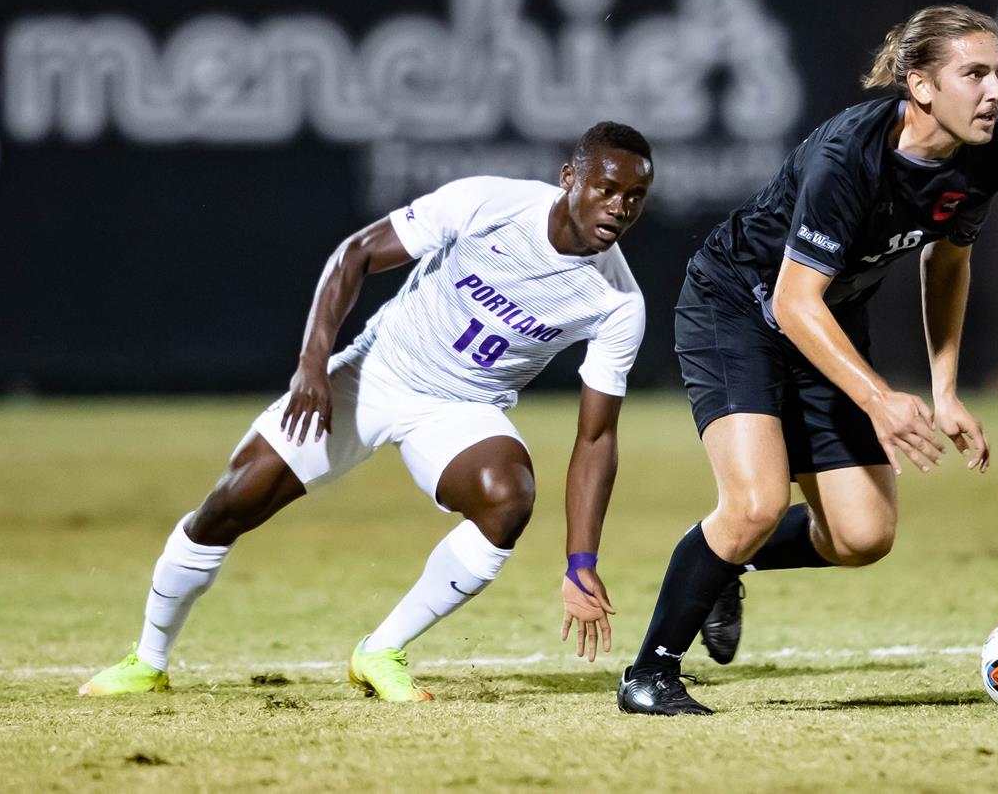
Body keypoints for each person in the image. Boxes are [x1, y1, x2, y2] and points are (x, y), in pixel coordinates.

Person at [79, 122, 654, 701]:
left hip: (460, 408)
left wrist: (581, 558)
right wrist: (312, 366)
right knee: (232, 502)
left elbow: (596, 437)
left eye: (634, 197)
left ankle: (381, 650)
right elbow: (354, 255)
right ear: (569, 178)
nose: (619, 207)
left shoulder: (618, 302)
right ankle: (147, 660)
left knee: (508, 497)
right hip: (374, 373)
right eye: (606, 189)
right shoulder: (490, 203)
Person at [617, 5, 998, 715]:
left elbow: (947, 260)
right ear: (920, 85)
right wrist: (880, 398)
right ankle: (649, 675)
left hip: (823, 319)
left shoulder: (984, 155)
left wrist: (943, 389)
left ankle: (720, 557)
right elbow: (794, 301)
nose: (994, 91)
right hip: (738, 306)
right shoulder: (848, 157)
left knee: (862, 535)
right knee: (757, 502)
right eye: (974, 73)